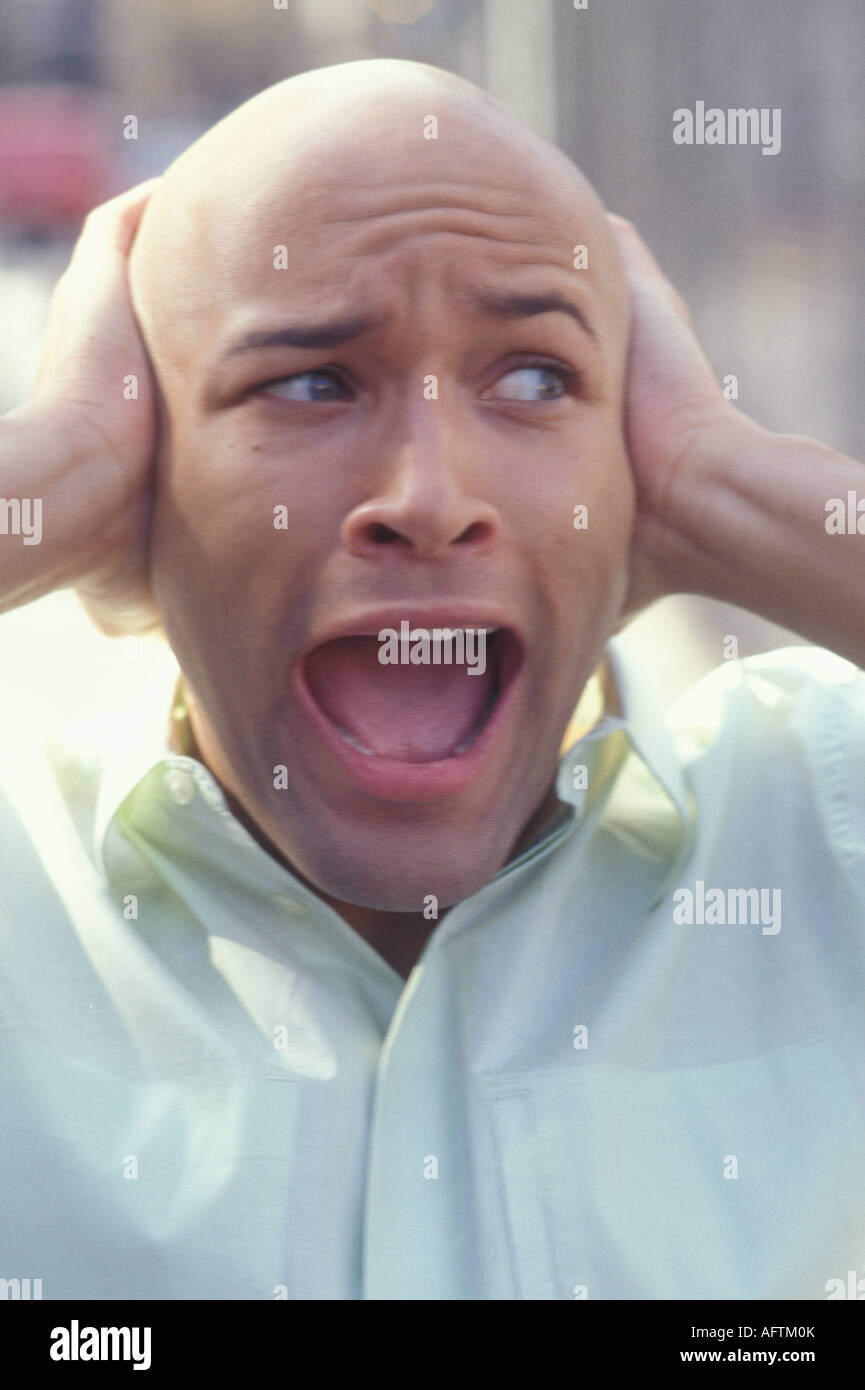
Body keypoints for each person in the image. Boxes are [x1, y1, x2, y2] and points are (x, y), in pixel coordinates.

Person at [0, 58, 863, 1301]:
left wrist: (722, 481)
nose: (430, 497)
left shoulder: (820, 839)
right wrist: (58, 463)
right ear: (144, 485)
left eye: (532, 379)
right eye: (307, 381)